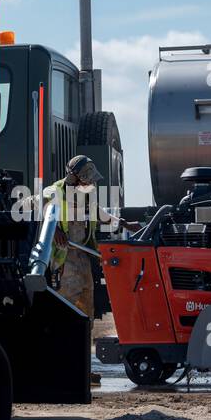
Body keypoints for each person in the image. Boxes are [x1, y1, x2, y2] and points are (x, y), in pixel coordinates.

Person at [43, 156, 139, 384]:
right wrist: (54, 226)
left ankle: (82, 370)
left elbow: (99, 214)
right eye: (86, 178)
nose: (90, 183)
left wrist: (124, 224)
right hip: (64, 263)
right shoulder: (54, 191)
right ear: (74, 176)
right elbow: (43, 208)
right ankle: (58, 368)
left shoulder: (86, 196)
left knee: (86, 316)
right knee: (65, 316)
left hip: (83, 260)